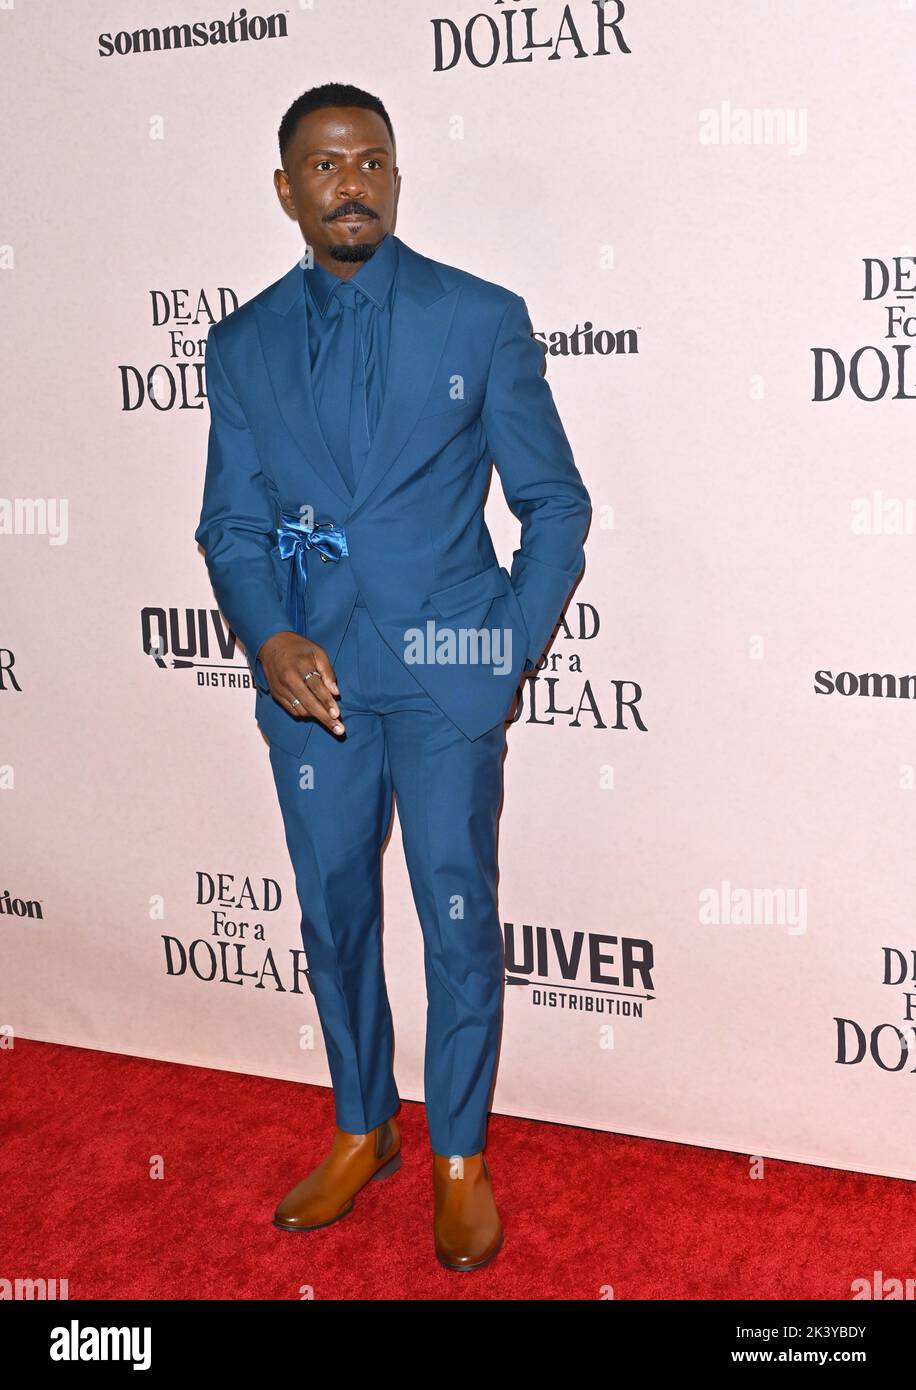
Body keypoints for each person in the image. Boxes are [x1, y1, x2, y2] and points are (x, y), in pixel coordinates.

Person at [194, 82, 591, 1271]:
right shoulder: (243, 341)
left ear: (398, 177)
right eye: (324, 165)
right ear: (286, 190)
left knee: (455, 909)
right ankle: (362, 1126)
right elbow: (229, 524)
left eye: (370, 159)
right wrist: (266, 634)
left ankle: (459, 1152)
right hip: (313, 683)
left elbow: (553, 502)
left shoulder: (480, 318)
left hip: (447, 673)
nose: (349, 180)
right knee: (332, 913)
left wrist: (508, 642)